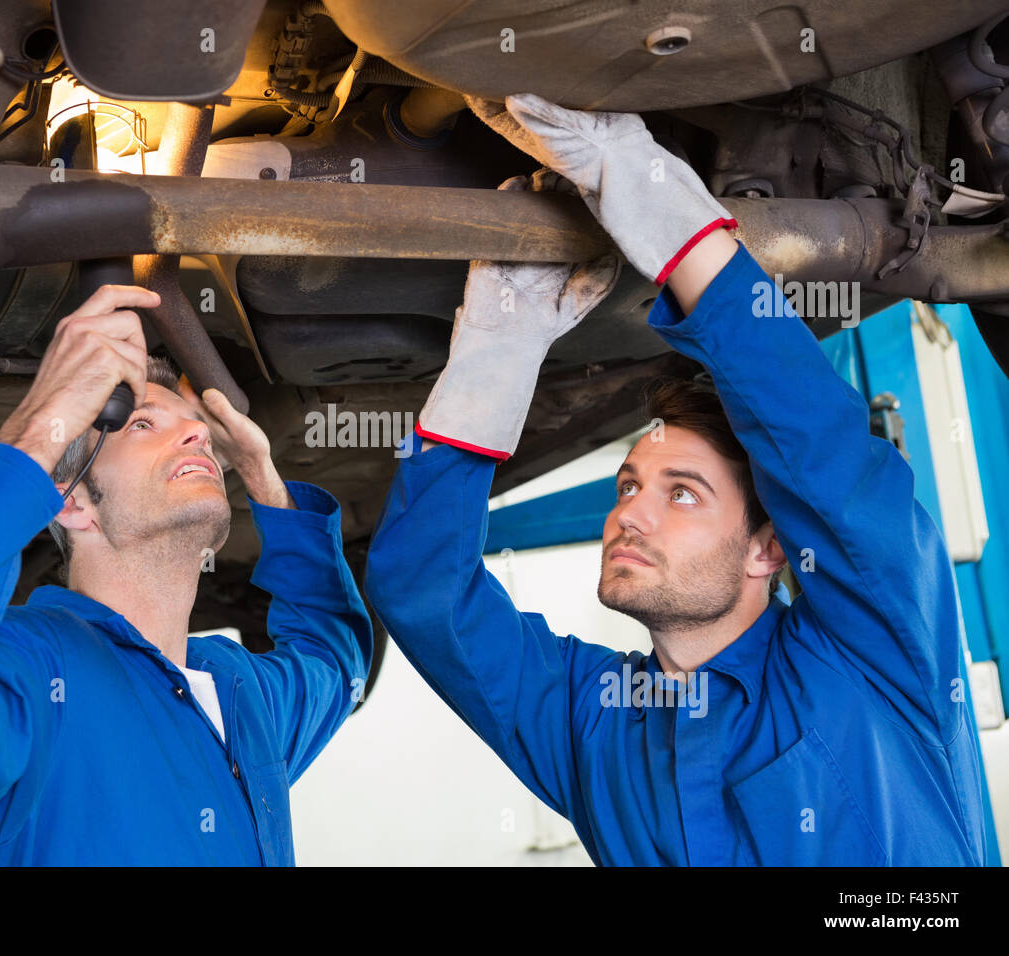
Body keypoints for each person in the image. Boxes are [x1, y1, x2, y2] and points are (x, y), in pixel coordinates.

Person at [364, 93, 987, 865]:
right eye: (628, 486)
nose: (630, 515)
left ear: (770, 550)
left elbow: (822, 446)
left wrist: (648, 190)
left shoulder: (873, 654)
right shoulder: (596, 726)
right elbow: (424, 594)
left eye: (680, 492)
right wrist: (496, 352)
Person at [0, 285, 372, 865]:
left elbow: (335, 660)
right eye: (143, 424)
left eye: (197, 427)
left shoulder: (237, 691)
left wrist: (261, 474)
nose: (199, 432)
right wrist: (45, 420)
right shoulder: (29, 673)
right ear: (73, 503)